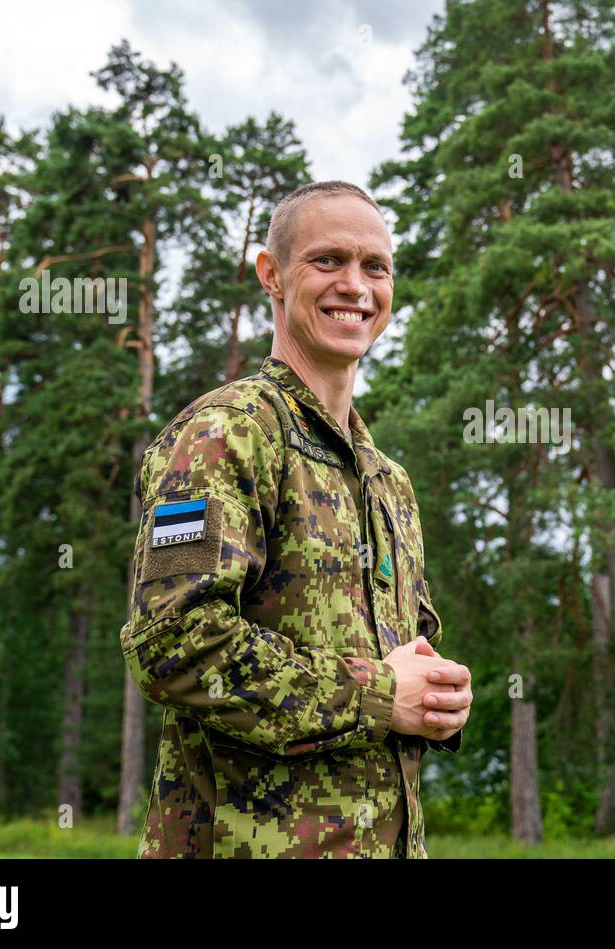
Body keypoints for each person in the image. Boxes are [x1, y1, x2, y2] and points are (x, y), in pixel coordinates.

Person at [120, 180, 471, 858]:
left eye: (375, 267)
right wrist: (380, 694)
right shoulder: (227, 432)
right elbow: (175, 645)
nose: (356, 286)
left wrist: (434, 698)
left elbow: (403, 662)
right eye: (328, 260)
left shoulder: (387, 481)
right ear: (272, 275)